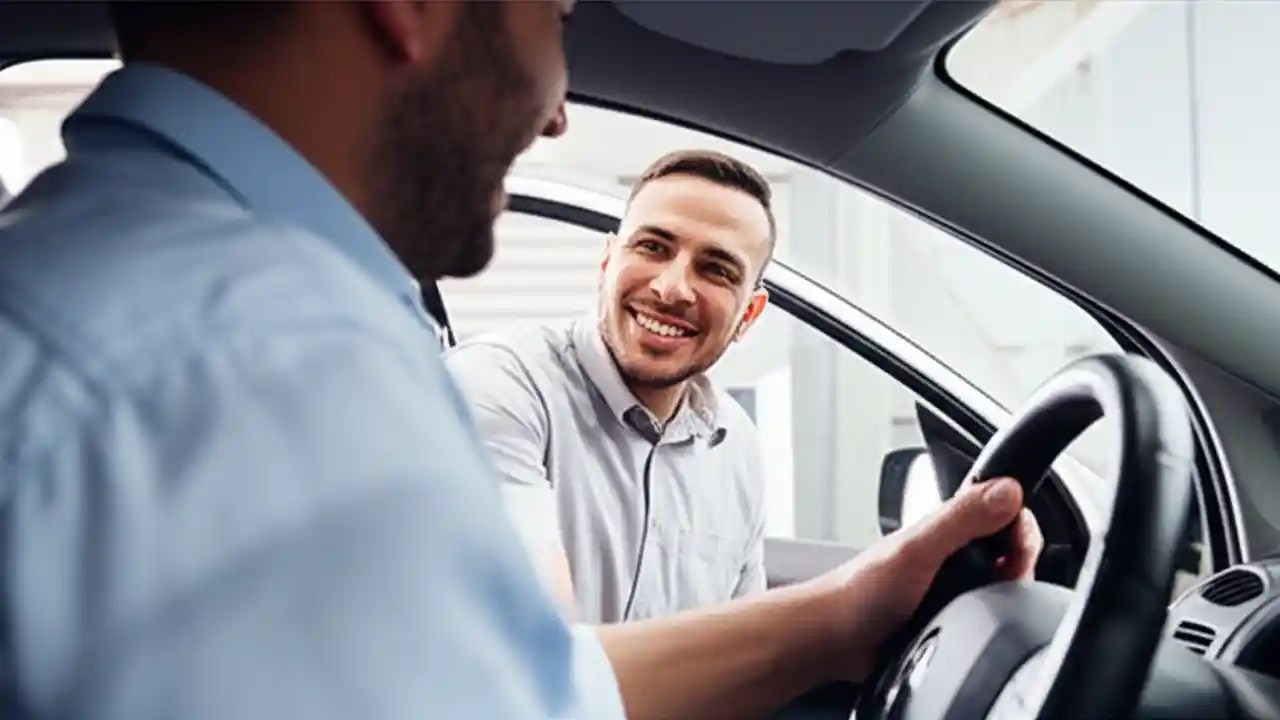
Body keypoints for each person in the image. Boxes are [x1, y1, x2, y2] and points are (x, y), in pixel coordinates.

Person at [0, 2, 1042, 719]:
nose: (554, 113)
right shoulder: (270, 362)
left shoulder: (117, 289)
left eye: (717, 269)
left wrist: (841, 620)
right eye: (553, 17)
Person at [445, 149, 777, 622]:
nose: (671, 289)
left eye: (716, 270)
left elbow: (742, 649)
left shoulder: (737, 447)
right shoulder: (499, 386)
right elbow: (535, 639)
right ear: (607, 263)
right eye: (653, 247)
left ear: (749, 315)